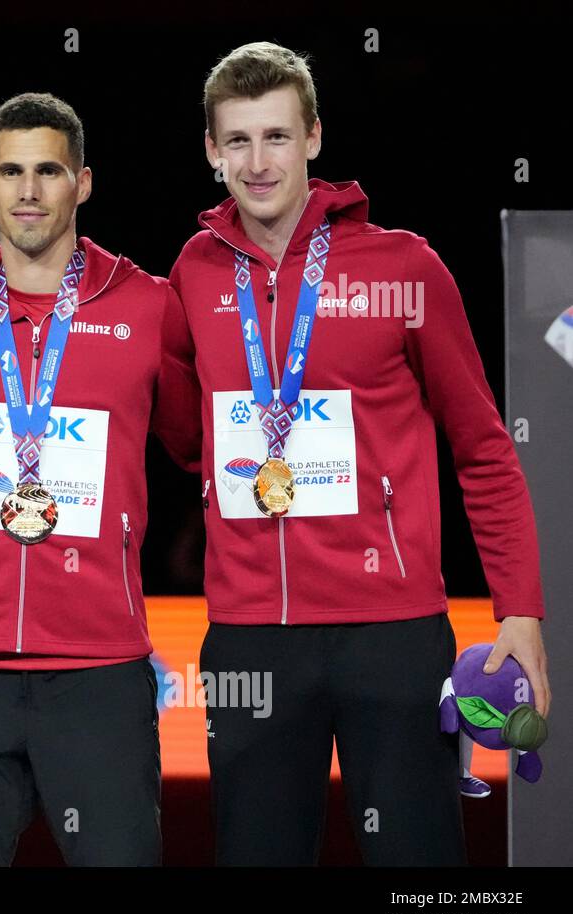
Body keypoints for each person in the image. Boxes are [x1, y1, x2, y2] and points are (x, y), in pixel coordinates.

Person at [167, 41, 550, 865]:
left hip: (392, 634)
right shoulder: (194, 272)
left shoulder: (403, 267)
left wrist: (518, 608)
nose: (258, 162)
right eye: (238, 140)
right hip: (251, 638)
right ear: (211, 150)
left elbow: (483, 447)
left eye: (277, 136)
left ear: (313, 137)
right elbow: (182, 434)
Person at [0, 92, 199, 866]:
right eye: (11, 171)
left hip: (99, 671)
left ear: (82, 182)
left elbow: (196, 441)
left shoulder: (149, 307)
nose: (29, 190)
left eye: (49, 171)